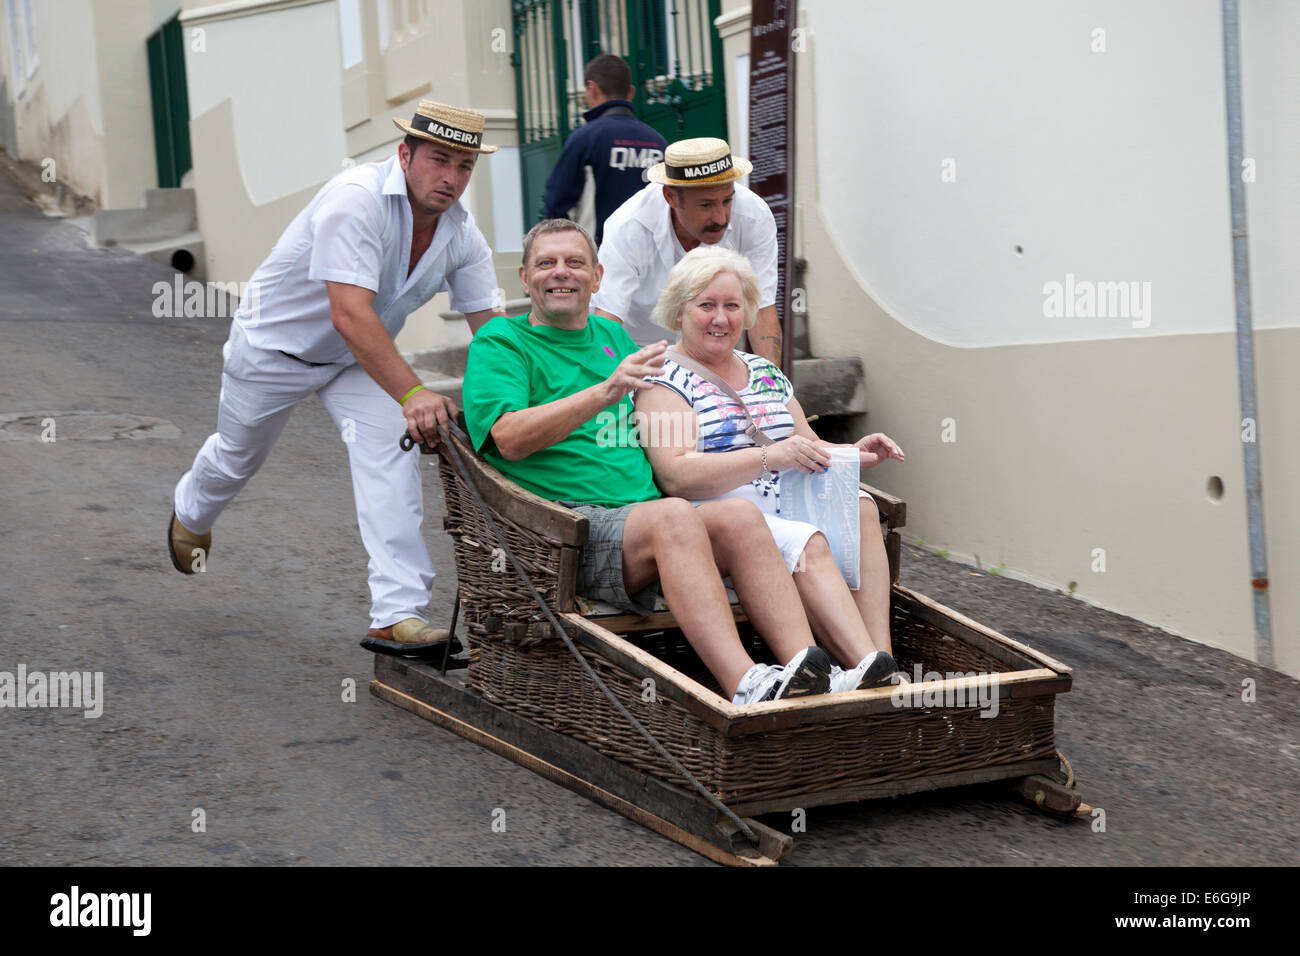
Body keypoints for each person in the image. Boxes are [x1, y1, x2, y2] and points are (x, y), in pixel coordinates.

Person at [461, 219, 837, 705]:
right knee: (675, 516)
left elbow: (664, 425)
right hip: (565, 526)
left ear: (597, 277)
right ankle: (745, 682)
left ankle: (805, 668)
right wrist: (605, 391)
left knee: (739, 516)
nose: (561, 273)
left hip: (643, 517)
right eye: (546, 263)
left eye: (575, 263)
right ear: (524, 276)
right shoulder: (502, 341)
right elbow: (508, 438)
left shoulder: (612, 339)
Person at [168, 101, 502, 646]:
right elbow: (349, 313)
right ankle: (190, 509)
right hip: (274, 352)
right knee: (237, 457)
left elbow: (491, 335)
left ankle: (396, 614)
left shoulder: (462, 234)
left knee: (392, 456)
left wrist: (518, 403)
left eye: (464, 166)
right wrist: (415, 391)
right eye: (439, 159)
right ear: (404, 153)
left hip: (354, 363)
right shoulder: (357, 201)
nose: (452, 177)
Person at [635, 246, 907, 690]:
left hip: (790, 500)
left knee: (860, 507)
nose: (719, 318)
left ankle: (880, 662)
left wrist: (855, 451)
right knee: (807, 539)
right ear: (678, 312)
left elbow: (808, 445)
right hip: (727, 517)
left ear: (745, 312)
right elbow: (674, 474)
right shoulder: (662, 378)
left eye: (731, 305)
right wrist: (767, 457)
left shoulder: (765, 372)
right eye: (706, 305)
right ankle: (865, 670)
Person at [591, 137, 783, 367]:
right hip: (640, 354)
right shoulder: (628, 226)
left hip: (716, 354)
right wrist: (607, 391)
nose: (720, 217)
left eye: (727, 201)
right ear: (670, 197)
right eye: (706, 205)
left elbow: (762, 309)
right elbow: (607, 321)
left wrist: (773, 390)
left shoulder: (755, 215)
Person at [542, 53, 666, 247]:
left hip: (600, 257)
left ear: (592, 88)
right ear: (631, 92)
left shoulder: (585, 139)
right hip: (651, 254)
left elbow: (557, 203)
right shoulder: (658, 142)